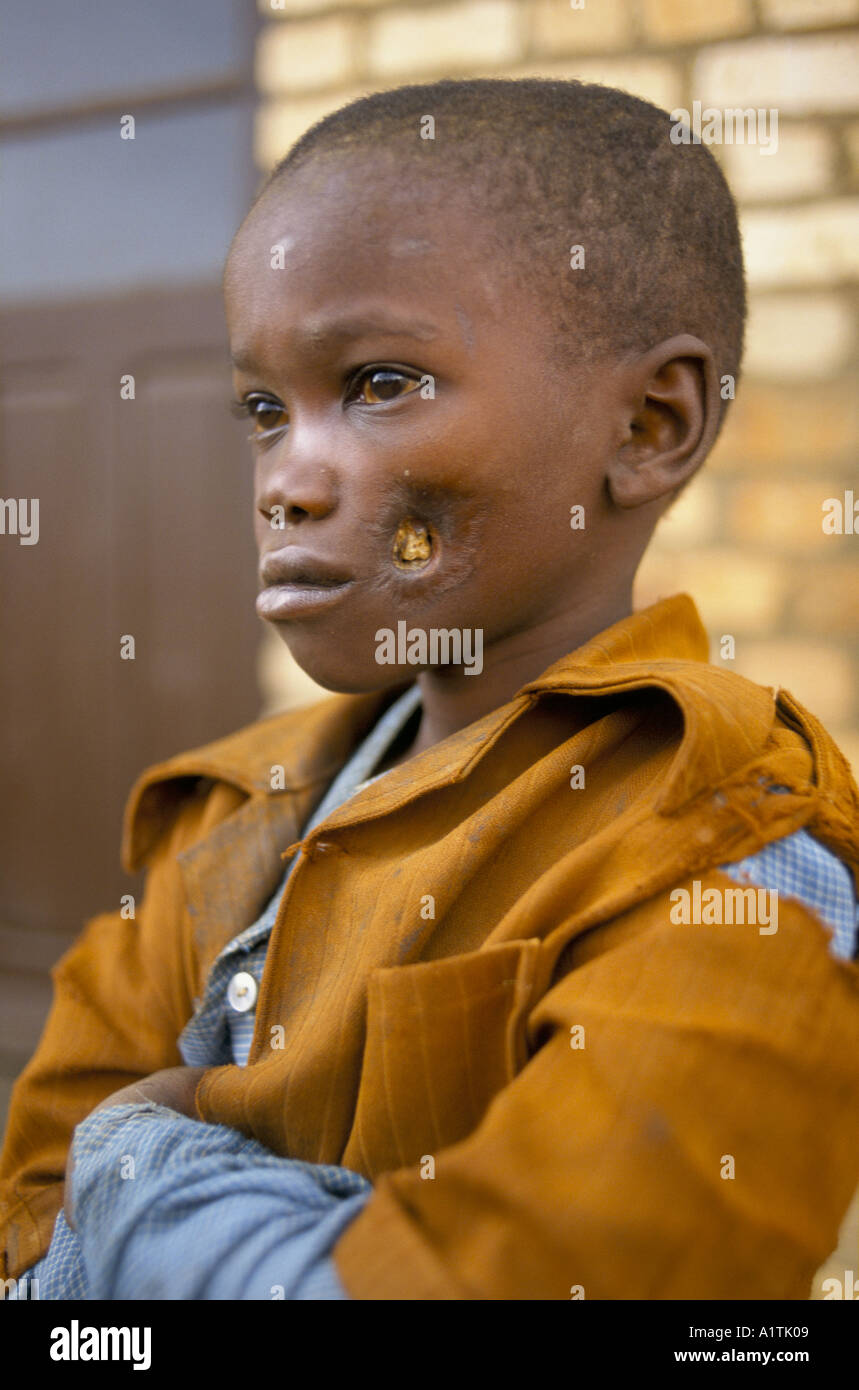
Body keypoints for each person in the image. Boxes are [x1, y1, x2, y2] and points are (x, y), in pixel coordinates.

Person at [2, 78, 858, 1302]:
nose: (285, 482)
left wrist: (143, 1153)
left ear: (650, 424)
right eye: (262, 409)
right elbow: (30, 1231)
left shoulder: (725, 839)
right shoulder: (227, 810)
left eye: (379, 385)